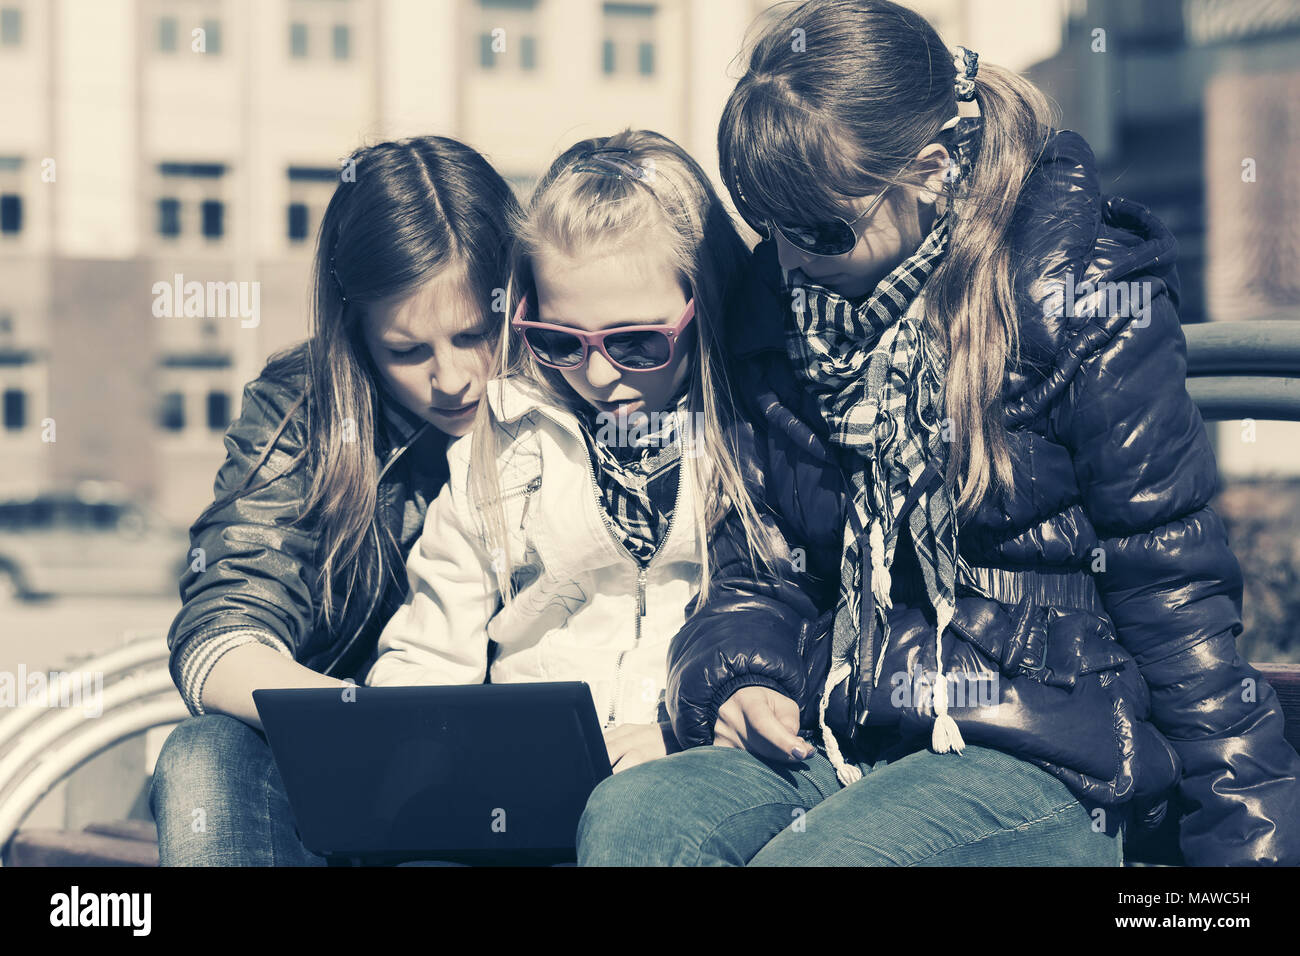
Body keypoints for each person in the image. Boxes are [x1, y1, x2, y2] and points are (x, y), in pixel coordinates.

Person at [577, 0, 1300, 866]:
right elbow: (759, 566)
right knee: (636, 821)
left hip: (1042, 739)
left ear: (927, 171)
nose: (789, 256)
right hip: (842, 720)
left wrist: (1242, 847)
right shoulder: (783, 304)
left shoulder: (1074, 294)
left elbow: (1167, 572)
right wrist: (740, 674)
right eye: (766, 223)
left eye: (819, 229)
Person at [367, 129, 784, 777]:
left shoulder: (761, 437)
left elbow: (799, 626)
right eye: (559, 342)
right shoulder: (504, 440)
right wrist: (418, 748)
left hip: (691, 768)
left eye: (638, 344)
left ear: (706, 305)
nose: (597, 376)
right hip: (527, 774)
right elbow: (428, 653)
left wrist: (680, 730)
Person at [150, 136, 519, 866]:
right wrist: (376, 728)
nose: (452, 380)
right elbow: (223, 629)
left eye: (475, 335)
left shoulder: (588, 386)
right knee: (203, 753)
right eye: (408, 351)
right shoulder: (304, 408)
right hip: (346, 766)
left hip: (515, 775)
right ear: (357, 333)